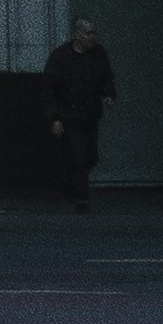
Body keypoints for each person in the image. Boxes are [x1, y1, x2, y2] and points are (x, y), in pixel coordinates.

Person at [45, 14, 116, 208]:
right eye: (88, 33)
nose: (92, 37)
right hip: (69, 114)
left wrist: (108, 94)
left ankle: (70, 181)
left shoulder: (98, 54)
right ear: (77, 34)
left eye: (93, 33)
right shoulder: (60, 57)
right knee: (79, 155)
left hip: (90, 113)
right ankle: (81, 199)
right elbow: (50, 90)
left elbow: (106, 77)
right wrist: (54, 118)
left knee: (91, 156)